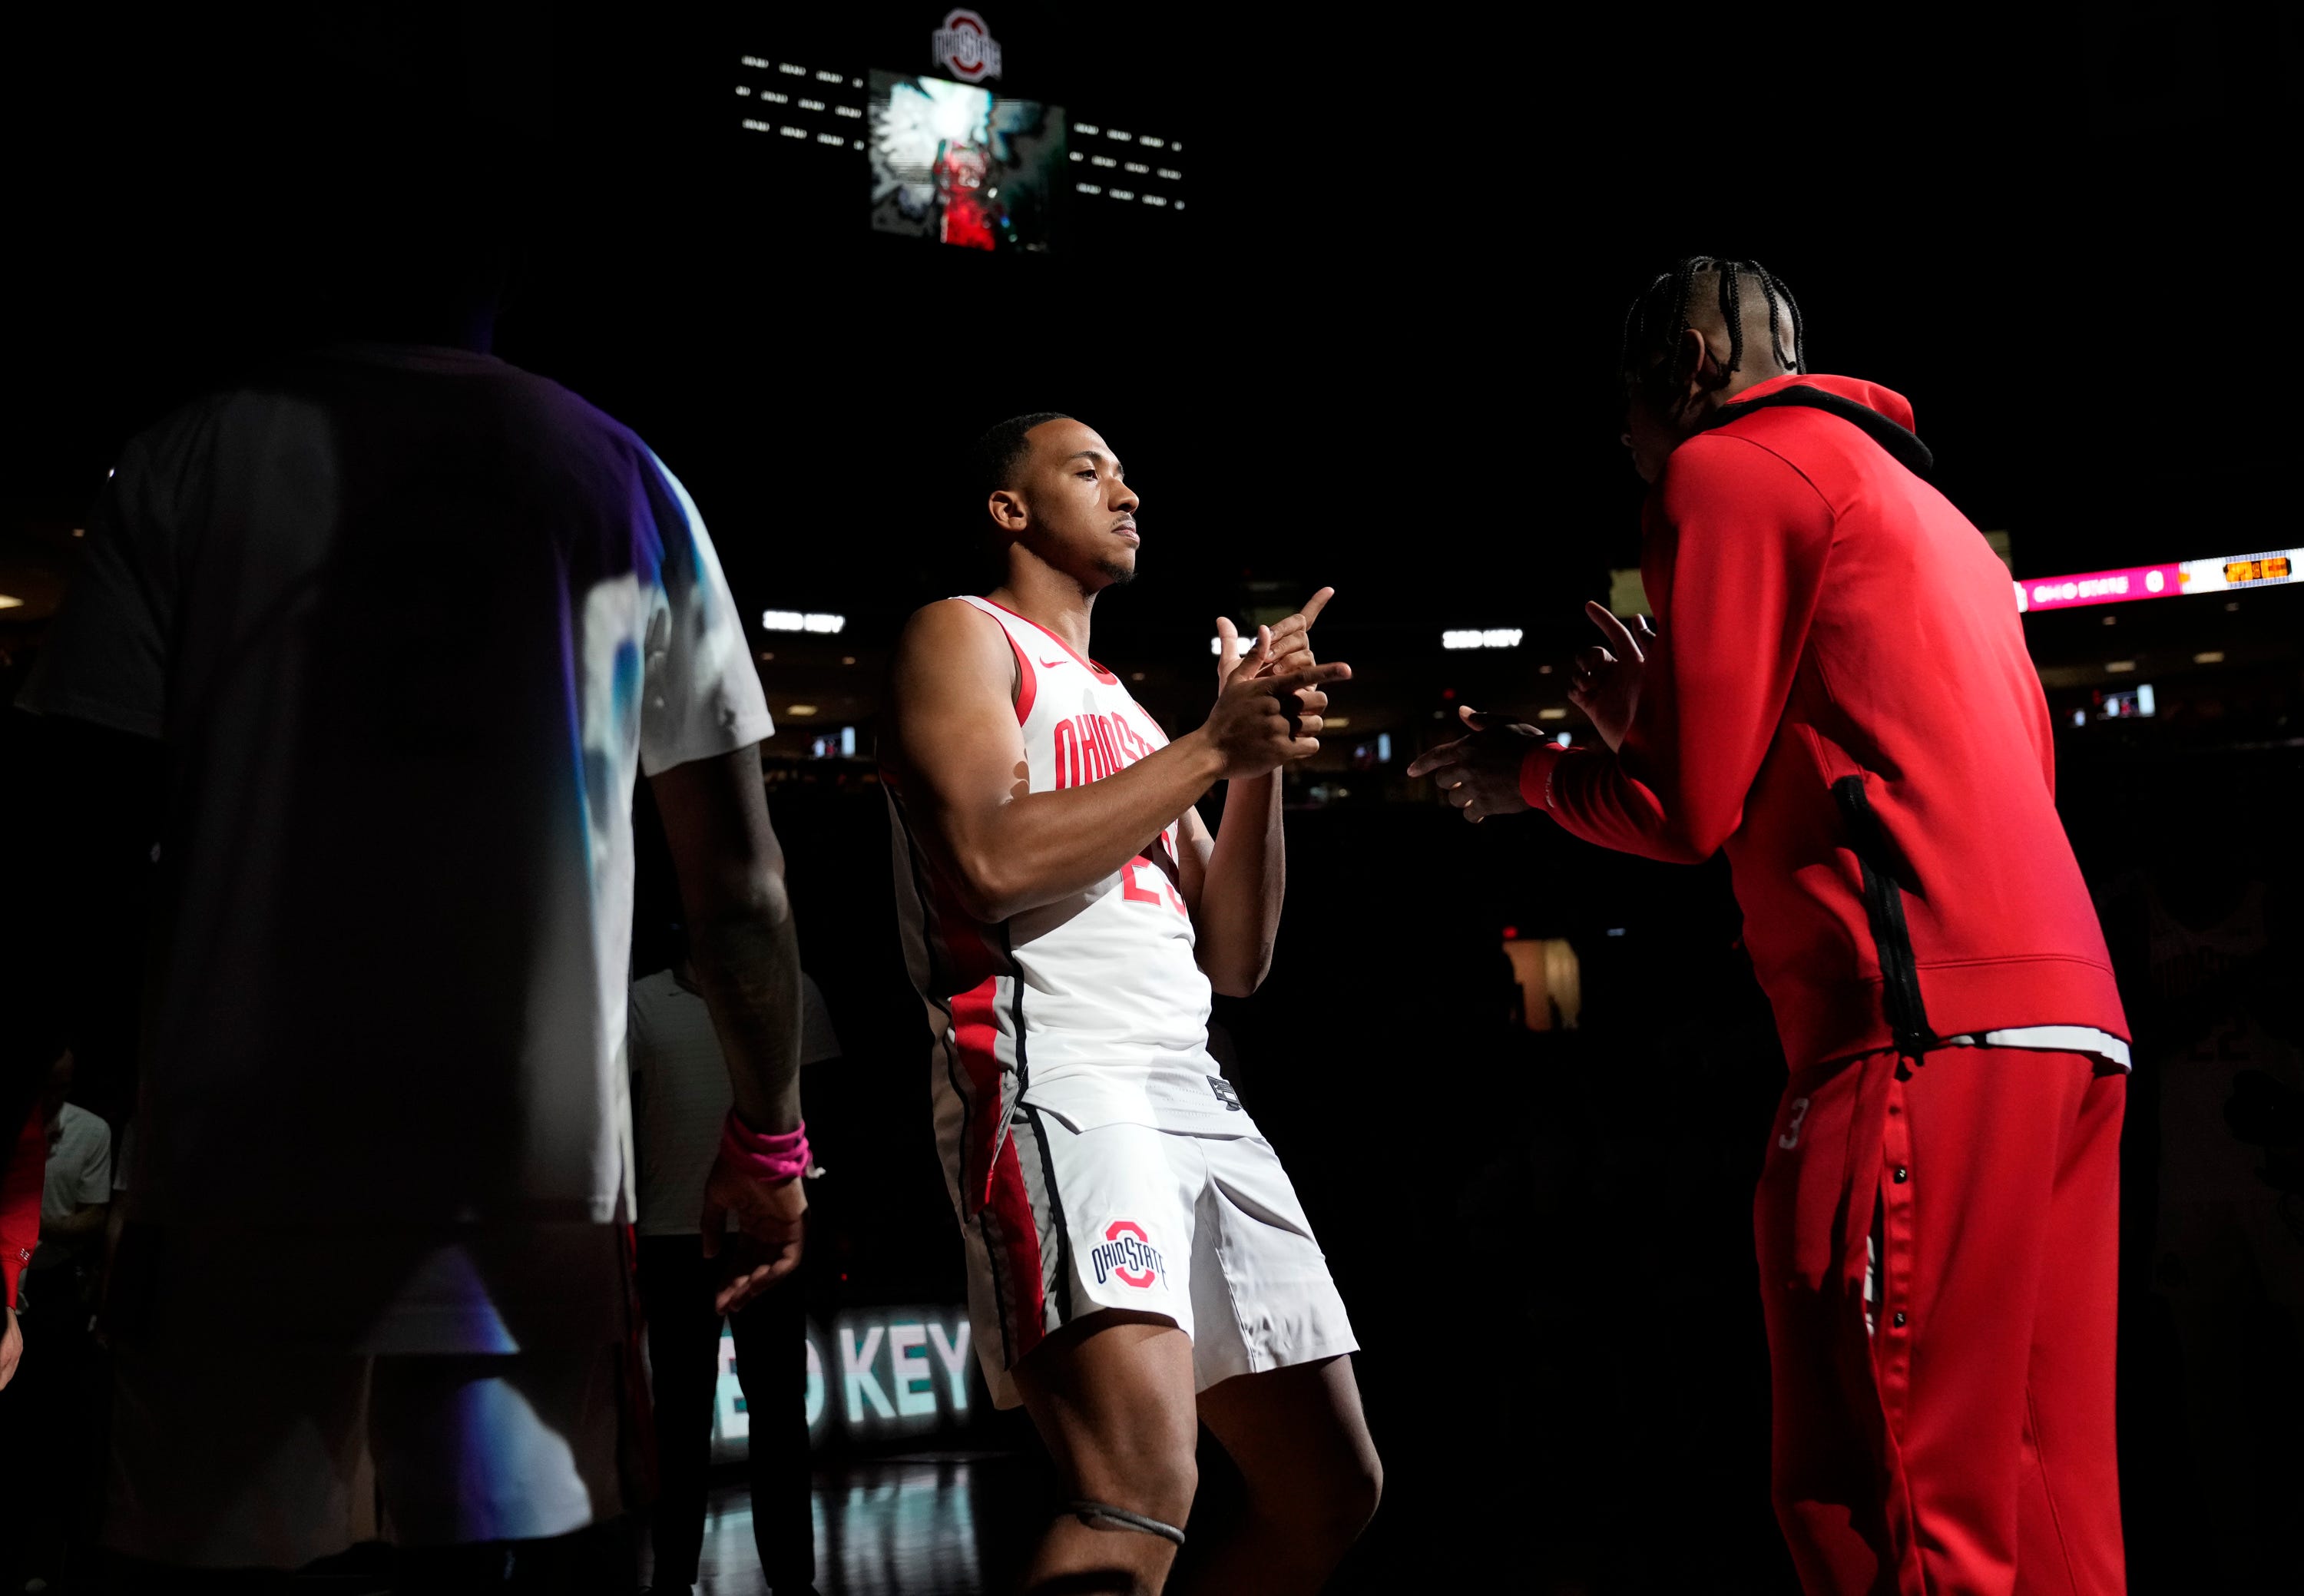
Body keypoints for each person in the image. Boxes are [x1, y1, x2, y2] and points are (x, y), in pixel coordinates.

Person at [14, 153, 809, 1587]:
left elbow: (69, 847)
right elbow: (740, 888)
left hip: (236, 1161)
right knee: (479, 1569)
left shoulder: (192, 455)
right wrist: (771, 1135)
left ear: (320, 258)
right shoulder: (627, 478)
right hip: (531, 1177)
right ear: (506, 266)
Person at [1409, 257, 2131, 1594]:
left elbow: (1685, 814)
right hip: (2069, 1022)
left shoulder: (1721, 470)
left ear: (1683, 372)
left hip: (1912, 1027)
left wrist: (1528, 774)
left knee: (1875, 1495)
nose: (1626, 443)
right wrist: (1653, 726)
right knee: (2047, 1496)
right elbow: (1925, 760)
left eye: (1625, 408)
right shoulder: (1925, 507)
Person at [881, 412, 1380, 1596]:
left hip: (1192, 1085)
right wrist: (1212, 747)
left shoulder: (1136, 716)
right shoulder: (962, 634)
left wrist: (1253, 762)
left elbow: (1237, 957)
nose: (1128, 492)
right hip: (1059, 1070)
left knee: (1330, 1490)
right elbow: (990, 860)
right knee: (1136, 1490)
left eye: (1125, 473)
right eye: (1089, 470)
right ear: (1010, 509)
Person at [630, 949, 842, 1596]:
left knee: (779, 1410)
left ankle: (792, 1580)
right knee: (679, 1417)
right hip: (672, 1236)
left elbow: (821, 1110)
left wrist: (811, 1210)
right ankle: (671, 1577)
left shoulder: (792, 989)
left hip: (767, 1231)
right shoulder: (641, 1003)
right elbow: (621, 1122)